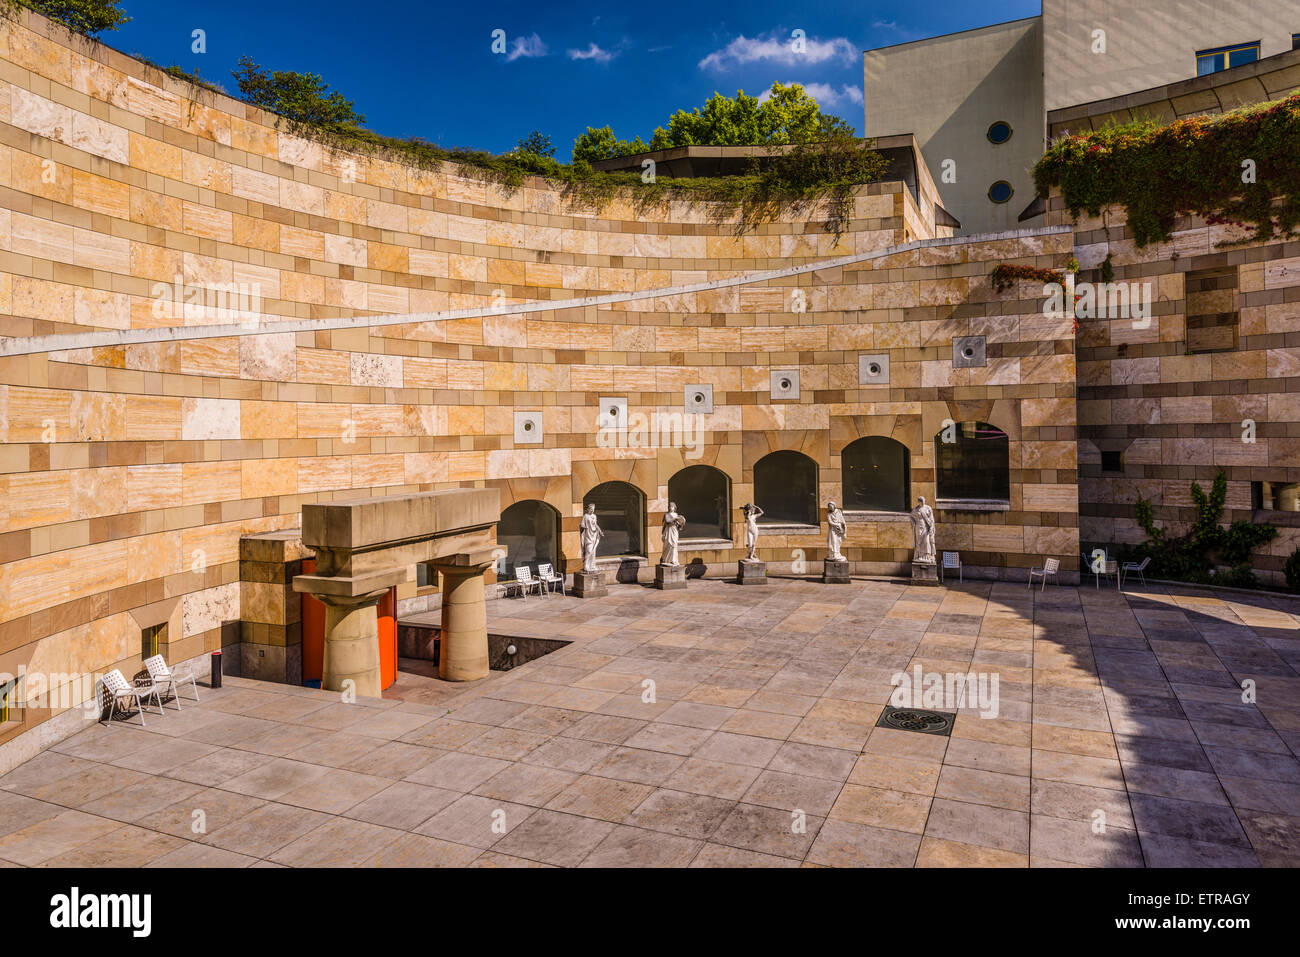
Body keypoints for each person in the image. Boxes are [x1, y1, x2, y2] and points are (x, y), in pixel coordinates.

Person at [911, 496, 936, 564]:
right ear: (919, 502)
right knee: (919, 541)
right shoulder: (916, 509)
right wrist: (914, 523)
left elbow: (931, 518)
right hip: (918, 527)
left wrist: (931, 527)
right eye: (921, 501)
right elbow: (911, 517)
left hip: (925, 527)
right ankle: (919, 556)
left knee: (926, 541)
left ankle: (927, 556)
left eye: (923, 501)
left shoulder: (928, 508)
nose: (923, 503)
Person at [580, 503, 603, 573]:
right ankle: (586, 565)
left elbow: (596, 525)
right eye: (591, 509)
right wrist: (584, 527)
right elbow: (582, 525)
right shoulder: (585, 516)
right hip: (588, 535)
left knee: (593, 552)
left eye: (593, 509)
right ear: (588, 509)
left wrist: (600, 531)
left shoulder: (594, 516)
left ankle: (592, 566)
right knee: (589, 550)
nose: (592, 510)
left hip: (594, 534)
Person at [661, 501, 685, 566]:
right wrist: (675, 519)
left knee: (674, 544)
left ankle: (673, 560)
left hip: (674, 531)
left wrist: (680, 524)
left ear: (674, 508)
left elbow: (679, 523)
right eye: (669, 506)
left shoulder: (676, 515)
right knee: (668, 544)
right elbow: (668, 520)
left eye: (672, 506)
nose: (671, 508)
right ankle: (667, 560)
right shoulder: (667, 515)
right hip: (669, 530)